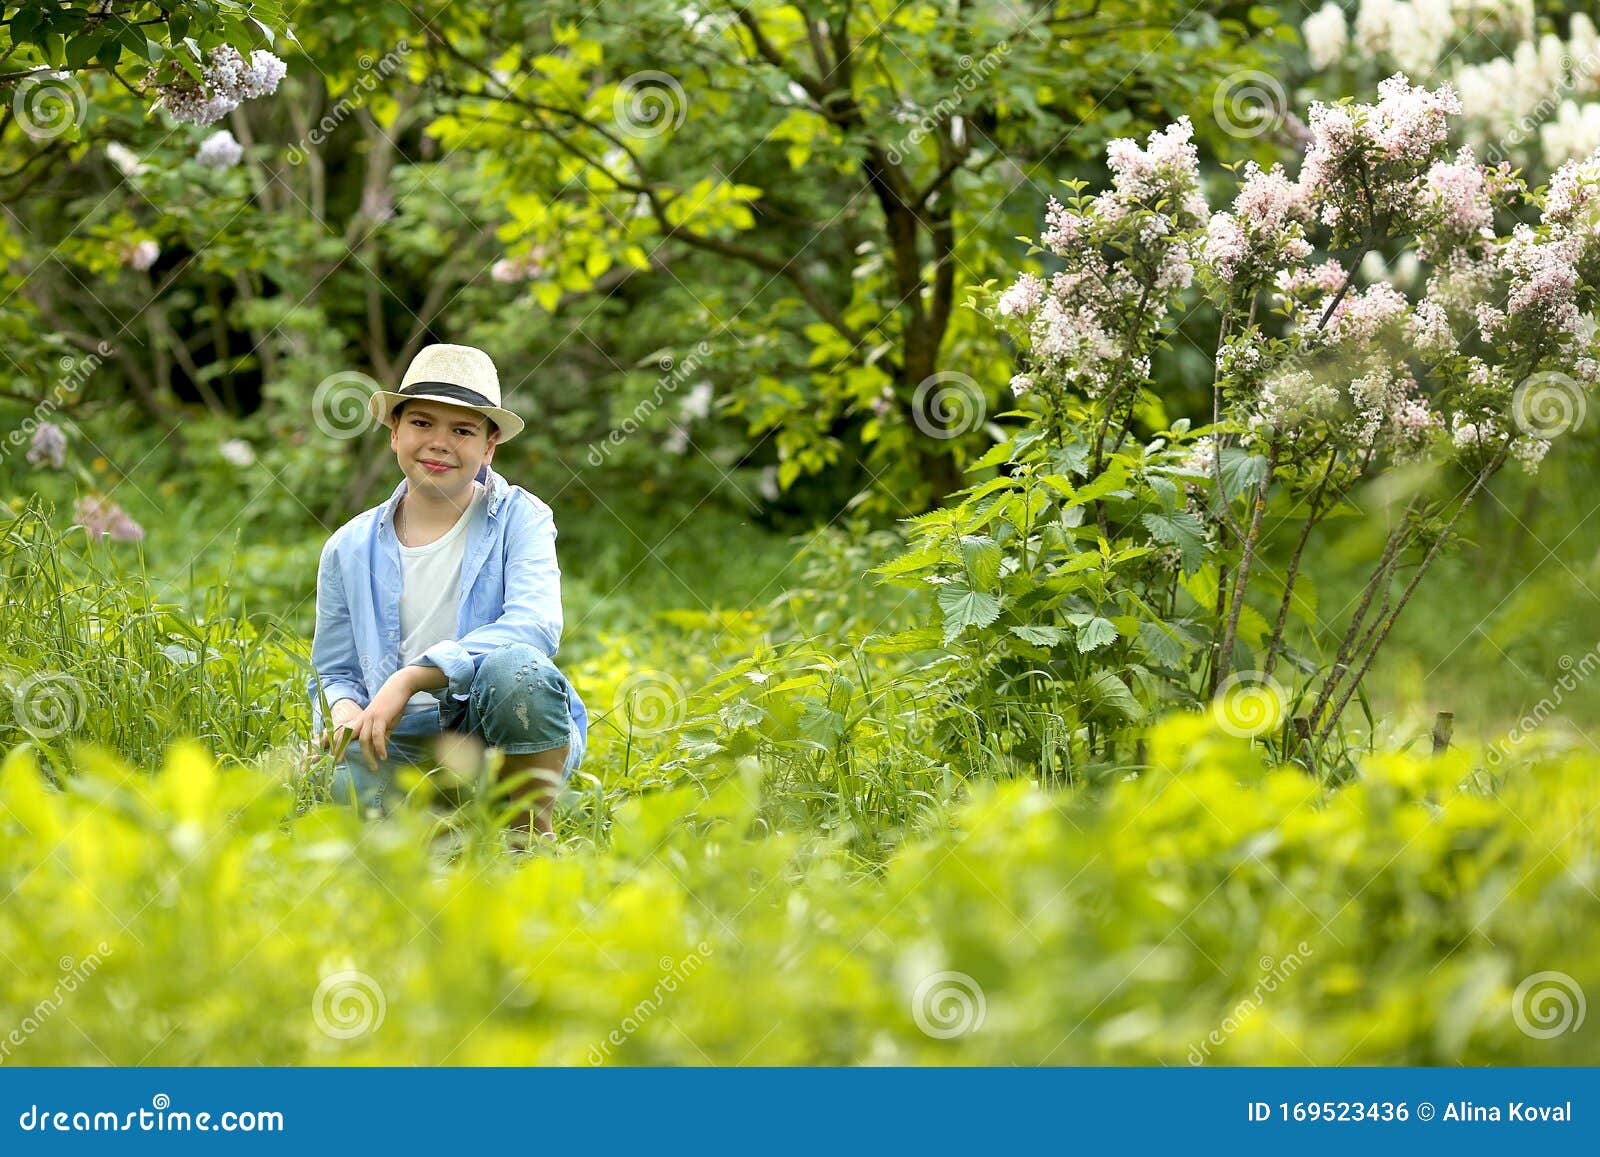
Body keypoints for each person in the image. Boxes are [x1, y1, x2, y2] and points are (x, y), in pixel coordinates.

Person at [307, 342, 587, 838]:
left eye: (462, 430)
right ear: (394, 433)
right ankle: (443, 813)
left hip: (491, 726)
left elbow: (534, 628)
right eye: (421, 423)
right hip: (399, 738)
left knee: (517, 668)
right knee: (347, 807)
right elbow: (335, 669)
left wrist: (412, 677)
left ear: (489, 447)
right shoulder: (347, 547)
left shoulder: (522, 518)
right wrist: (345, 709)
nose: (440, 443)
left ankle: (523, 838)